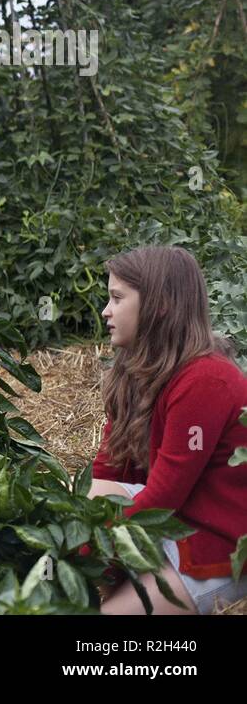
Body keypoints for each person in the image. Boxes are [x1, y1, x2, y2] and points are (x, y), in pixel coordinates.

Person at [87, 245, 247, 615]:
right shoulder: (138, 368)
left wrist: (89, 544)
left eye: (117, 298)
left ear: (159, 305)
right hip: (177, 522)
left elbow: (162, 499)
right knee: (84, 494)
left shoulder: (206, 379)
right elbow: (106, 470)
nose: (106, 311)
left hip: (216, 543)